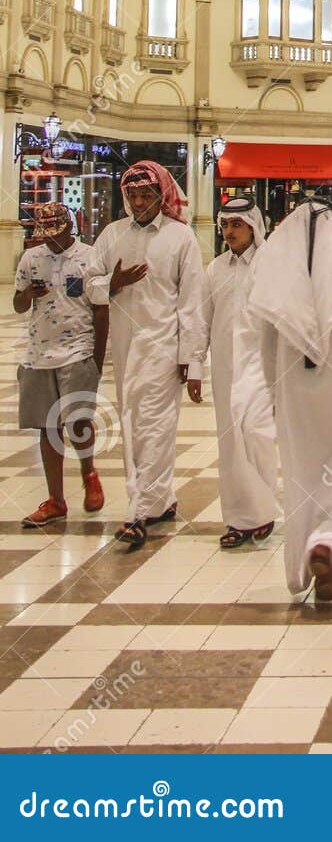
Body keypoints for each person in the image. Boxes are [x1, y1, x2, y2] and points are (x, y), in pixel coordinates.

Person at [242, 197, 332, 603]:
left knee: (302, 474)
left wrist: (272, 392)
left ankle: (312, 559)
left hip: (292, 392)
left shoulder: (273, 269)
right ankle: (328, 542)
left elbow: (265, 345)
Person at [84, 162, 204, 552]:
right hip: (125, 348)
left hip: (164, 348)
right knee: (133, 423)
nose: (138, 202)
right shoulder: (112, 234)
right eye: (133, 195)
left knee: (154, 425)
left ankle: (137, 512)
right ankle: (160, 500)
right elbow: (87, 285)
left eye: (146, 195)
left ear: (161, 196)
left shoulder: (180, 237)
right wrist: (112, 284)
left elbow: (191, 304)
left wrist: (192, 357)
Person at [14, 203, 107, 528]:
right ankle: (56, 499)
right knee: (46, 426)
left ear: (71, 227)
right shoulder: (31, 258)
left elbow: (100, 308)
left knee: (78, 421)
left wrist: (97, 357)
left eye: (56, 233)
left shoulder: (90, 257)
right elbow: (18, 304)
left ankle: (89, 473)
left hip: (77, 350)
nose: (51, 241)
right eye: (46, 235)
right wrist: (27, 293)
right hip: (38, 353)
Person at [201, 198, 276, 549]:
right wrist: (192, 363)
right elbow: (201, 318)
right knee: (230, 442)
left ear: (253, 227)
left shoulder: (268, 265)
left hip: (261, 369)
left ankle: (261, 512)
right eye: (226, 224)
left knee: (256, 436)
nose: (229, 231)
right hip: (224, 369)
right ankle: (238, 518)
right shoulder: (215, 269)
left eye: (237, 225)